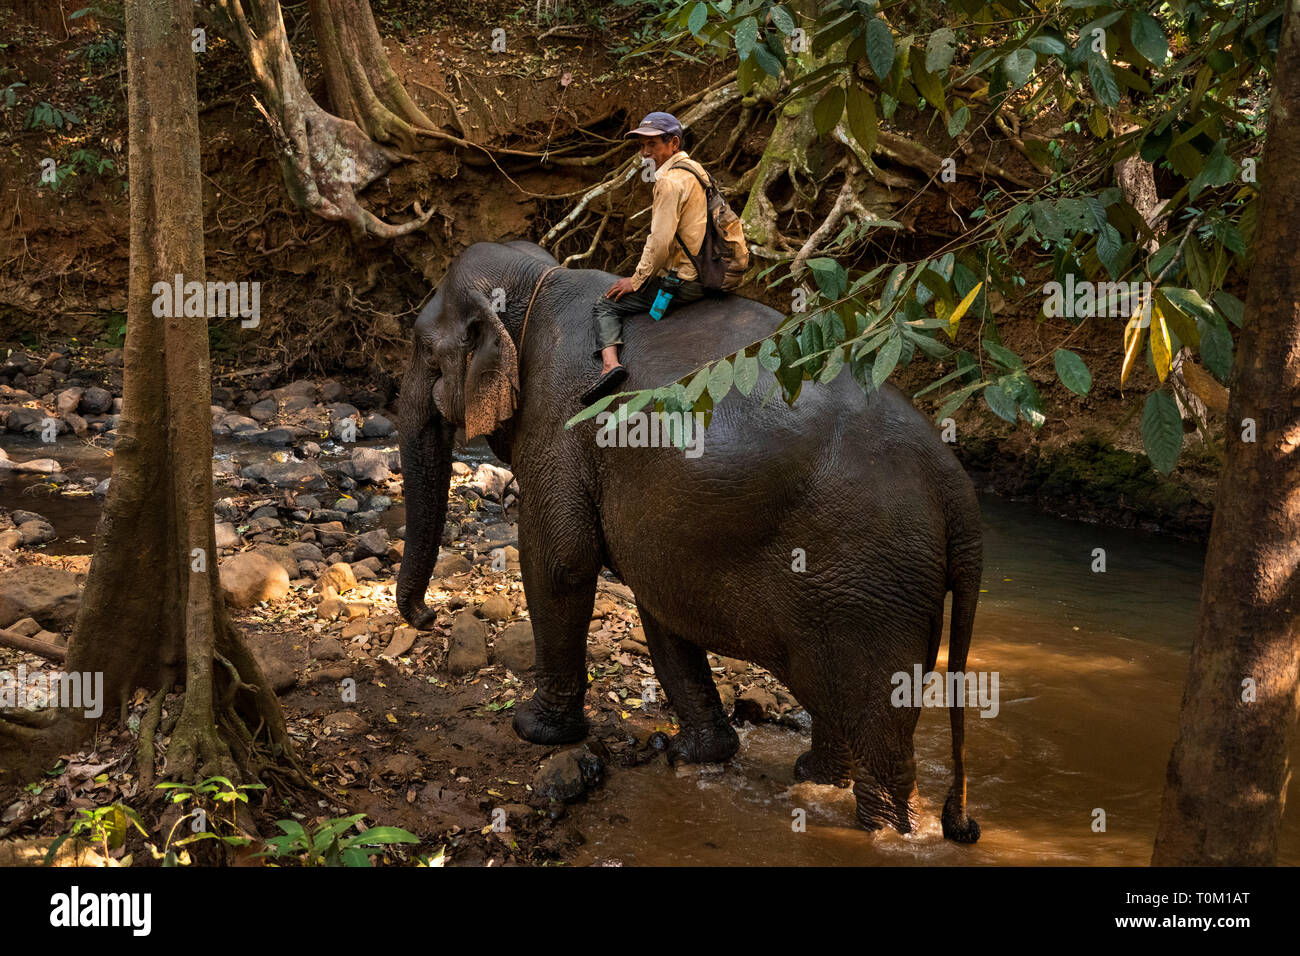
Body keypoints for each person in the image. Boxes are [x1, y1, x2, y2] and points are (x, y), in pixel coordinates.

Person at [580, 111, 711, 405]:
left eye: (652, 145)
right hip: (708, 269)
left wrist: (636, 280)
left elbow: (661, 241)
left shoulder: (668, 182)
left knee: (605, 304)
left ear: (673, 143)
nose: (645, 153)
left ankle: (610, 365)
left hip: (686, 279)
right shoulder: (697, 172)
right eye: (641, 146)